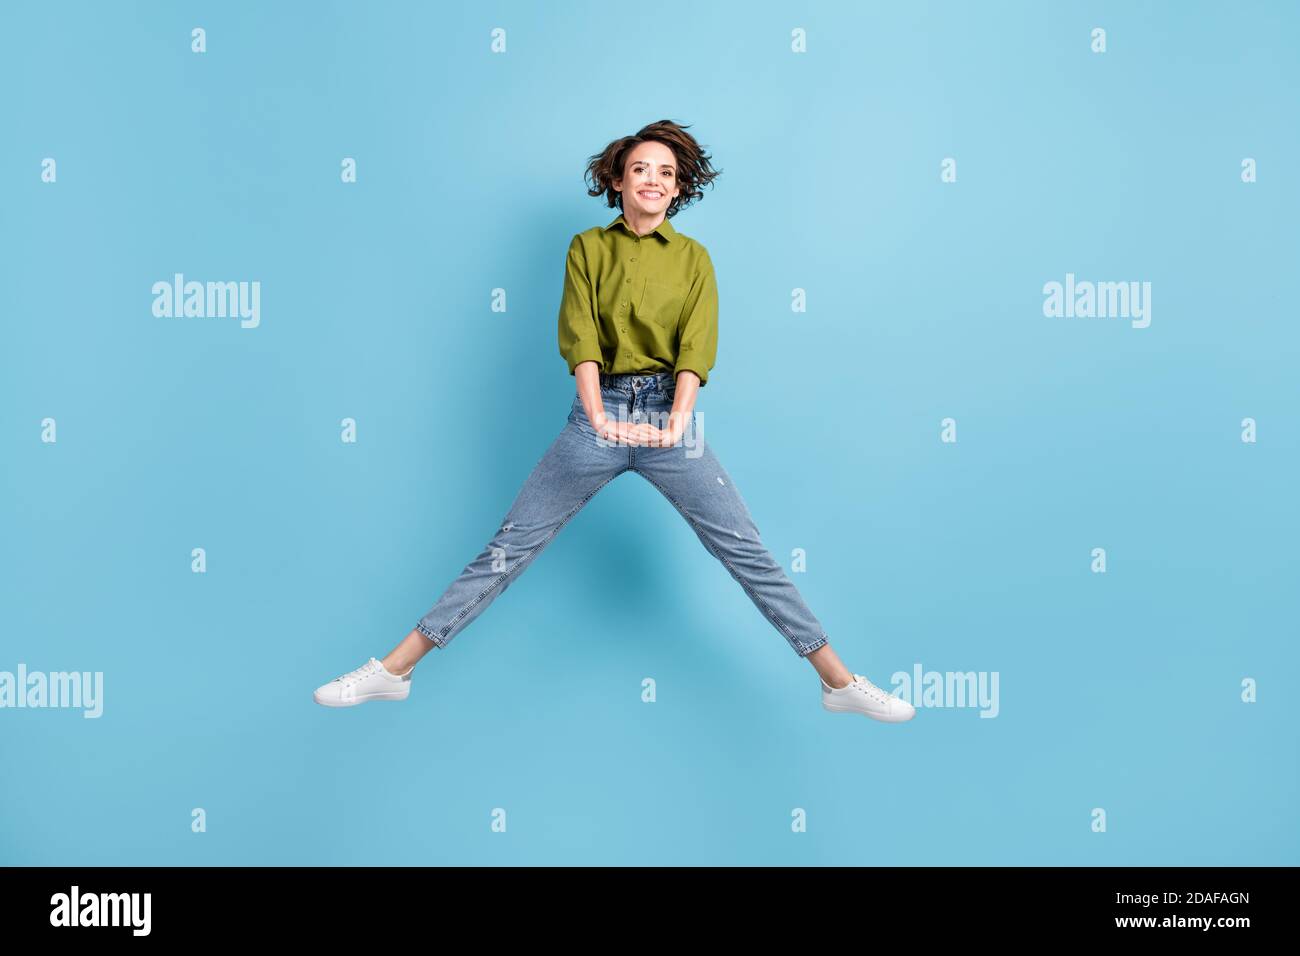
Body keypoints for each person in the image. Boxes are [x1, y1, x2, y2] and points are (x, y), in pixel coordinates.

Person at [313, 120, 914, 723]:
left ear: (678, 189)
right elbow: (580, 333)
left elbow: (695, 347)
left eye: (666, 173)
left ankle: (838, 682)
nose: (653, 180)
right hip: (595, 416)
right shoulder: (587, 249)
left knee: (744, 548)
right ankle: (394, 669)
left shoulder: (694, 260)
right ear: (618, 181)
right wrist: (599, 413)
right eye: (641, 169)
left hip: (668, 421)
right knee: (509, 548)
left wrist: (677, 423)